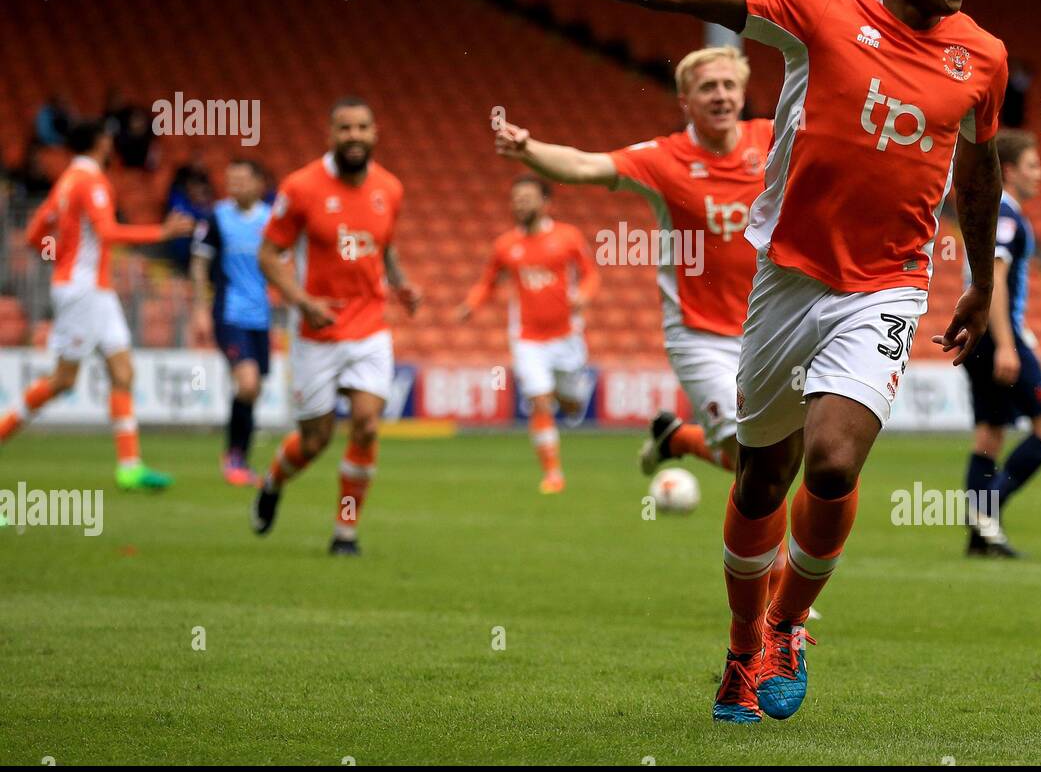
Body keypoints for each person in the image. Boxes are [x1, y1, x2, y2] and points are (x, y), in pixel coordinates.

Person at [468, 0, 1007, 724]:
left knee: (832, 462)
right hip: (785, 280)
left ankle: (788, 629)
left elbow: (980, 167)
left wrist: (980, 278)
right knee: (762, 478)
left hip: (889, 283)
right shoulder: (816, 12)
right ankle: (741, 649)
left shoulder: (983, 57)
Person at [492, 45, 770, 478]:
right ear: (686, 101)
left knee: (778, 456)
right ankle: (779, 550)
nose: (720, 96)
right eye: (707, 88)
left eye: (729, 86)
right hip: (700, 333)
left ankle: (677, 439)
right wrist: (529, 149)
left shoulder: (771, 139)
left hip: (769, 327)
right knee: (751, 457)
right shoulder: (664, 157)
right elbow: (586, 165)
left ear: (742, 93)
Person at [251, 97, 421, 555]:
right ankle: (273, 480)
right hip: (315, 333)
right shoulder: (301, 187)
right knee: (315, 440)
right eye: (345, 129)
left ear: (375, 132)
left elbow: (383, 248)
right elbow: (268, 255)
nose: (354, 136)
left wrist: (402, 285)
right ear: (330, 134)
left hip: (369, 329)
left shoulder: (391, 188)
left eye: (362, 128)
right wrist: (303, 302)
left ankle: (345, 530)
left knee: (366, 426)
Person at [0, 119, 193, 487]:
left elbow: (34, 234)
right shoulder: (91, 181)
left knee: (123, 372)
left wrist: (58, 256)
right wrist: (161, 232)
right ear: (101, 143)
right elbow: (108, 232)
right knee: (62, 380)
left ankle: (129, 466)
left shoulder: (66, 181)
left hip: (93, 289)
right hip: (84, 289)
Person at [455, 176, 598, 495]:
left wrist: (584, 296)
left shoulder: (568, 237)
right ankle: (552, 475)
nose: (519, 203)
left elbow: (590, 274)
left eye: (527, 197)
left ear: (546, 202)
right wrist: (471, 304)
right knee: (539, 401)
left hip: (566, 336)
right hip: (527, 337)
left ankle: (572, 395)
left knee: (572, 407)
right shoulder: (505, 245)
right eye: (515, 198)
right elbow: (488, 281)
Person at [959, 128, 1041, 557]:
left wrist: (1025, 339)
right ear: (1008, 170)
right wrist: (1007, 343)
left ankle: (980, 539)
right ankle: (987, 511)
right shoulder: (1004, 214)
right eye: (1033, 166)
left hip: (980, 333)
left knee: (989, 434)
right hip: (994, 335)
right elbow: (995, 280)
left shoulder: (993, 212)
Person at [190, 158, 273, 487]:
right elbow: (199, 263)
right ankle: (234, 457)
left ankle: (241, 458)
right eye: (230, 180)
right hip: (229, 313)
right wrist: (200, 308)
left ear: (258, 184)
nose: (234, 186)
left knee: (253, 391)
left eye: (242, 180)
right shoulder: (217, 218)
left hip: (261, 316)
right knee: (248, 382)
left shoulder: (270, 219)